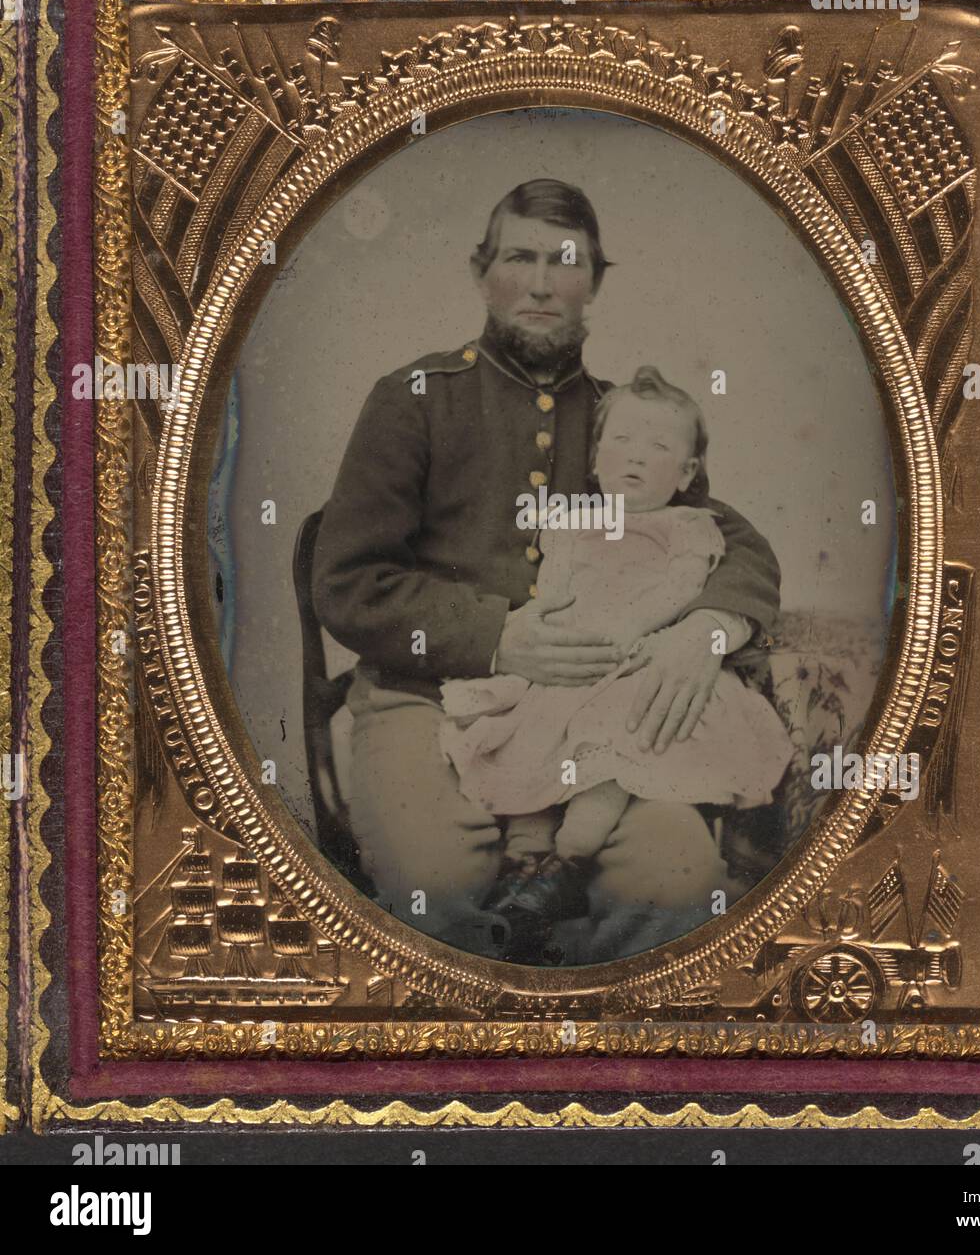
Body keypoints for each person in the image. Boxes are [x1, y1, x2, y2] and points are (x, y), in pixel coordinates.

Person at [312, 178, 783, 963]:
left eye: (564, 263)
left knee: (676, 884)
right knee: (441, 897)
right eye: (519, 257)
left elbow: (730, 539)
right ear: (479, 269)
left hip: (594, 712)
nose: (539, 283)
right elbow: (349, 581)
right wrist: (496, 637)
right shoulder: (414, 399)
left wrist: (707, 627)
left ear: (594, 281)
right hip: (423, 698)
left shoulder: (624, 419)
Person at [438, 366, 794, 941]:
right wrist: (537, 625)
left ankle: (569, 860)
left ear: (686, 474)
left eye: (657, 448)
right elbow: (553, 585)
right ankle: (526, 864)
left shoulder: (687, 523)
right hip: (566, 663)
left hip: (636, 659)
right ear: (597, 455)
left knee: (614, 744)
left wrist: (651, 629)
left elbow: (685, 583)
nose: (635, 457)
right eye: (621, 443)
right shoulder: (574, 522)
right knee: (527, 738)